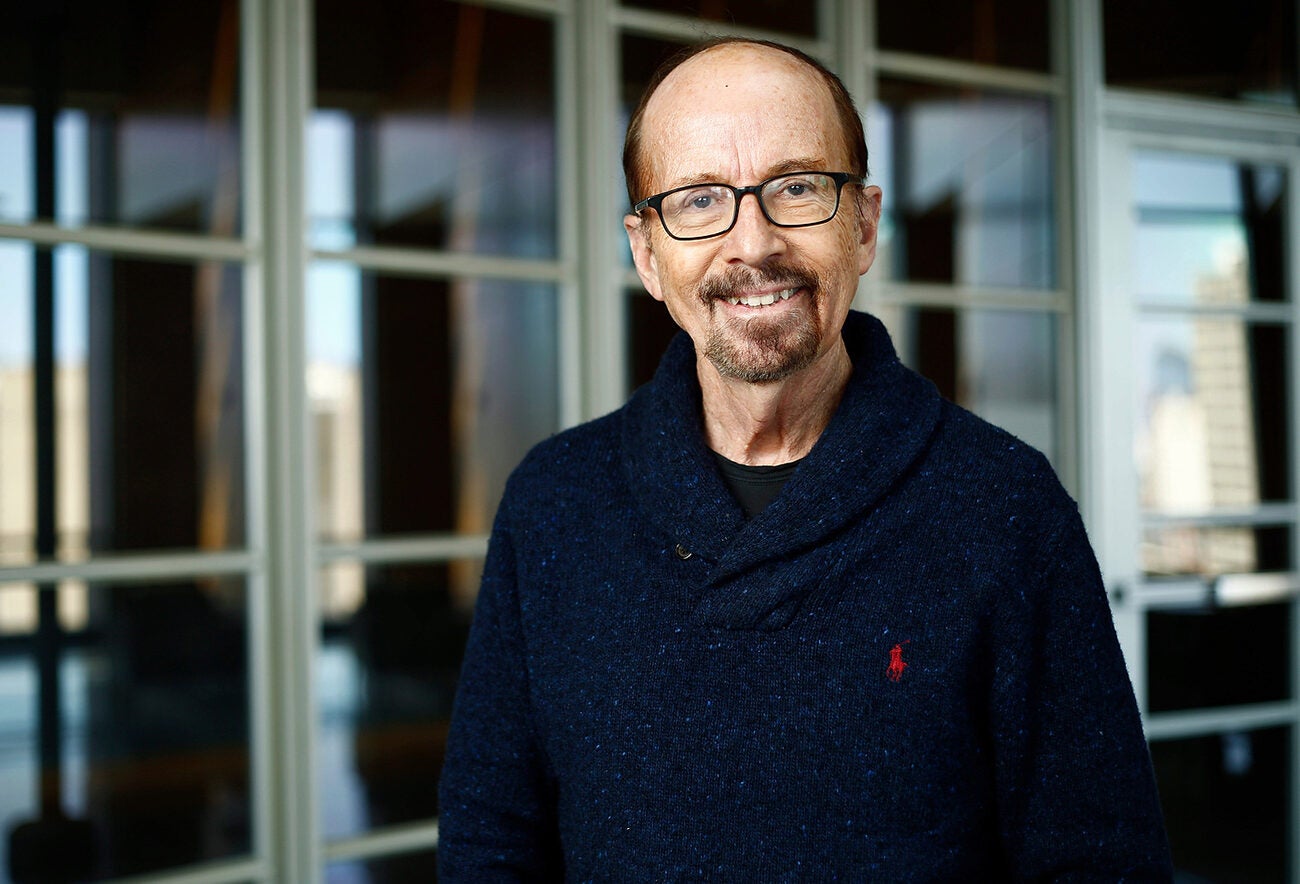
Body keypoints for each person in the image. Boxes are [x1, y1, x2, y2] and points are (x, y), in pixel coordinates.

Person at [438, 37, 1172, 880]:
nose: (753, 244)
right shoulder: (553, 505)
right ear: (646, 255)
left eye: (796, 188)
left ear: (863, 225)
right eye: (700, 200)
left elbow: (1102, 862)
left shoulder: (1004, 508)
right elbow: (489, 839)